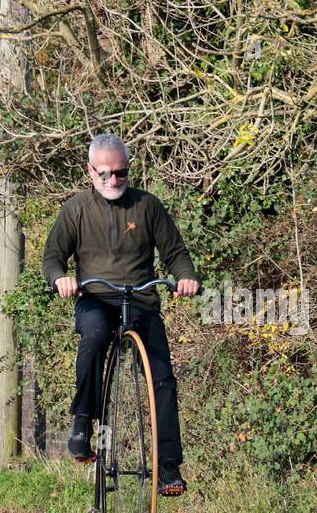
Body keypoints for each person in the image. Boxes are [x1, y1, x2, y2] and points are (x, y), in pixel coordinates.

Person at [41, 134, 200, 493]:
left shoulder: (148, 206)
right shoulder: (76, 209)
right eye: (105, 174)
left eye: (121, 173)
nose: (113, 180)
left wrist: (186, 278)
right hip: (95, 298)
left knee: (162, 375)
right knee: (94, 336)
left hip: (141, 300)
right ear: (90, 172)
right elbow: (52, 257)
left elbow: (175, 253)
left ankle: (169, 465)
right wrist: (60, 278)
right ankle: (83, 424)